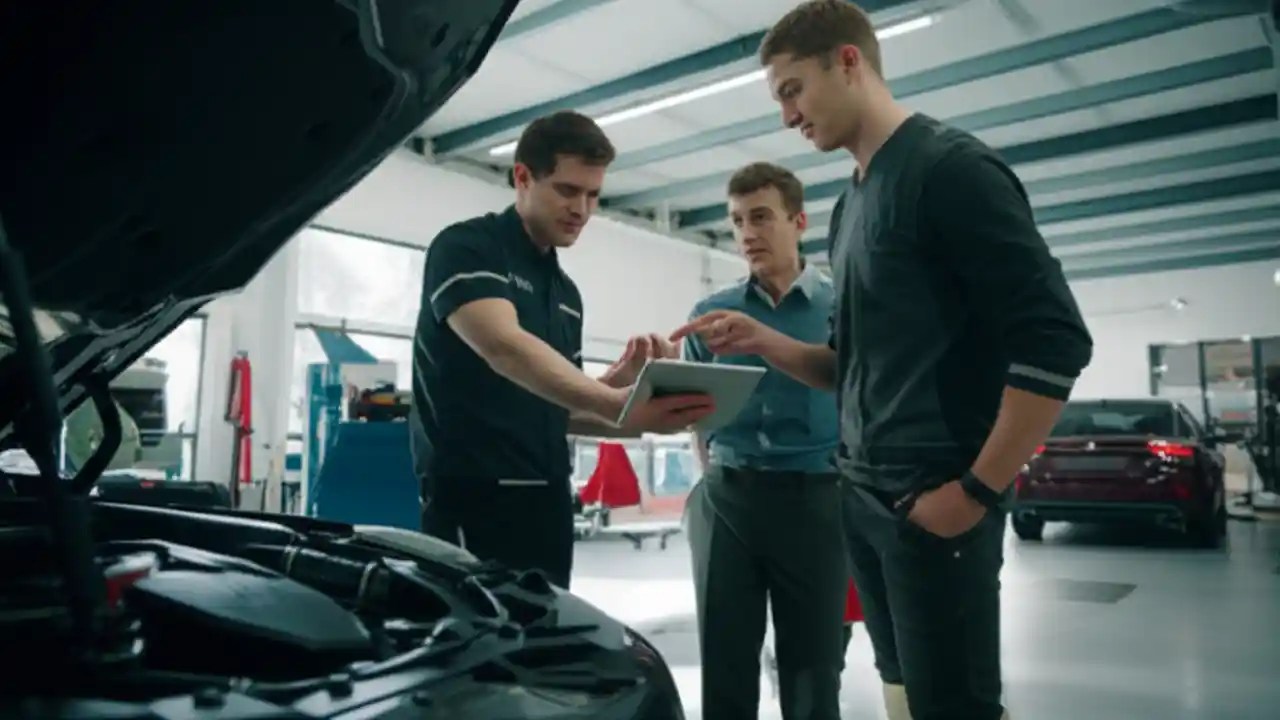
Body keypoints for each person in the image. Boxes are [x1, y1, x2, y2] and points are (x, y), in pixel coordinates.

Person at [672, 2, 1094, 719]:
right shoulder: (851, 205)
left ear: (848, 61)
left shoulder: (951, 171)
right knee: (902, 695)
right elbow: (847, 366)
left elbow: (1055, 339)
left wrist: (977, 492)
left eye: (791, 90)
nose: (787, 117)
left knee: (951, 705)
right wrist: (762, 341)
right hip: (861, 501)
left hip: (934, 502)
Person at [410, 110, 713, 590]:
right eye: (568, 191)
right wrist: (613, 401)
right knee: (480, 652)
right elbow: (504, 347)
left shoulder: (566, 295)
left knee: (545, 652)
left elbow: (562, 408)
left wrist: (632, 388)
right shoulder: (468, 249)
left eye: (593, 195)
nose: (583, 209)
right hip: (472, 496)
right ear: (523, 178)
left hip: (548, 500)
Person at [681, 162, 847, 720]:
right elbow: (696, 417)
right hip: (729, 499)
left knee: (816, 666)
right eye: (735, 221)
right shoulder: (710, 315)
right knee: (725, 660)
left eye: (760, 217)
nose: (747, 233)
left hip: (820, 499)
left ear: (797, 221)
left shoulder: (841, 305)